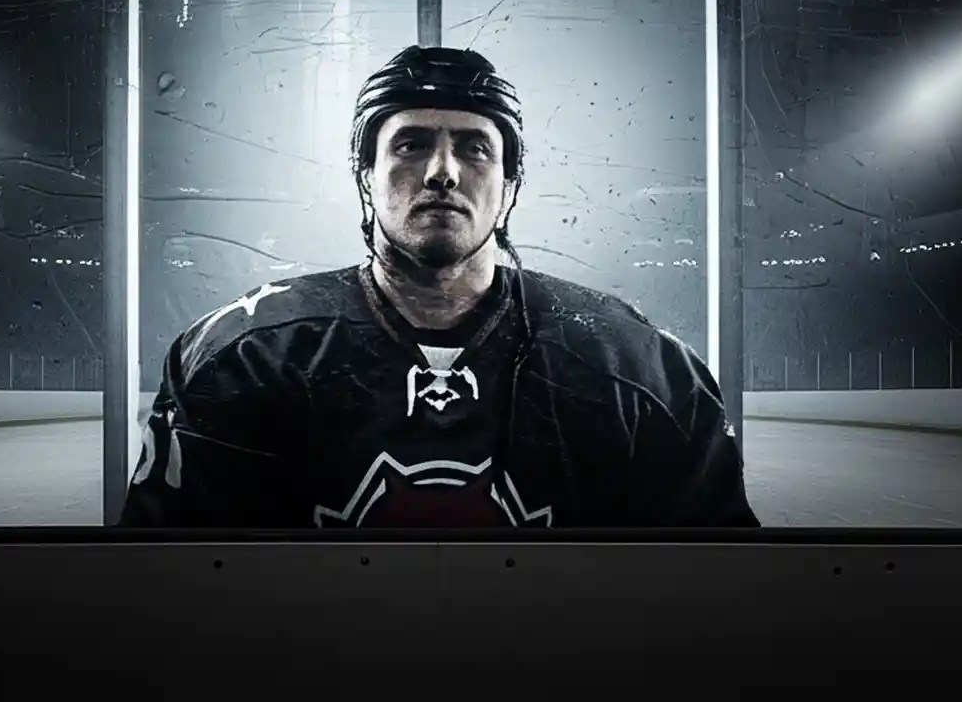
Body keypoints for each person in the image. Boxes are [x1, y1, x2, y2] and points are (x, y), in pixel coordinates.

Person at [119, 45, 760, 528]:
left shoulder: (638, 369)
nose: (442, 172)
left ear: (509, 185)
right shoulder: (245, 358)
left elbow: (715, 595)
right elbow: (171, 593)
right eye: (410, 144)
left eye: (475, 148)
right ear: (365, 176)